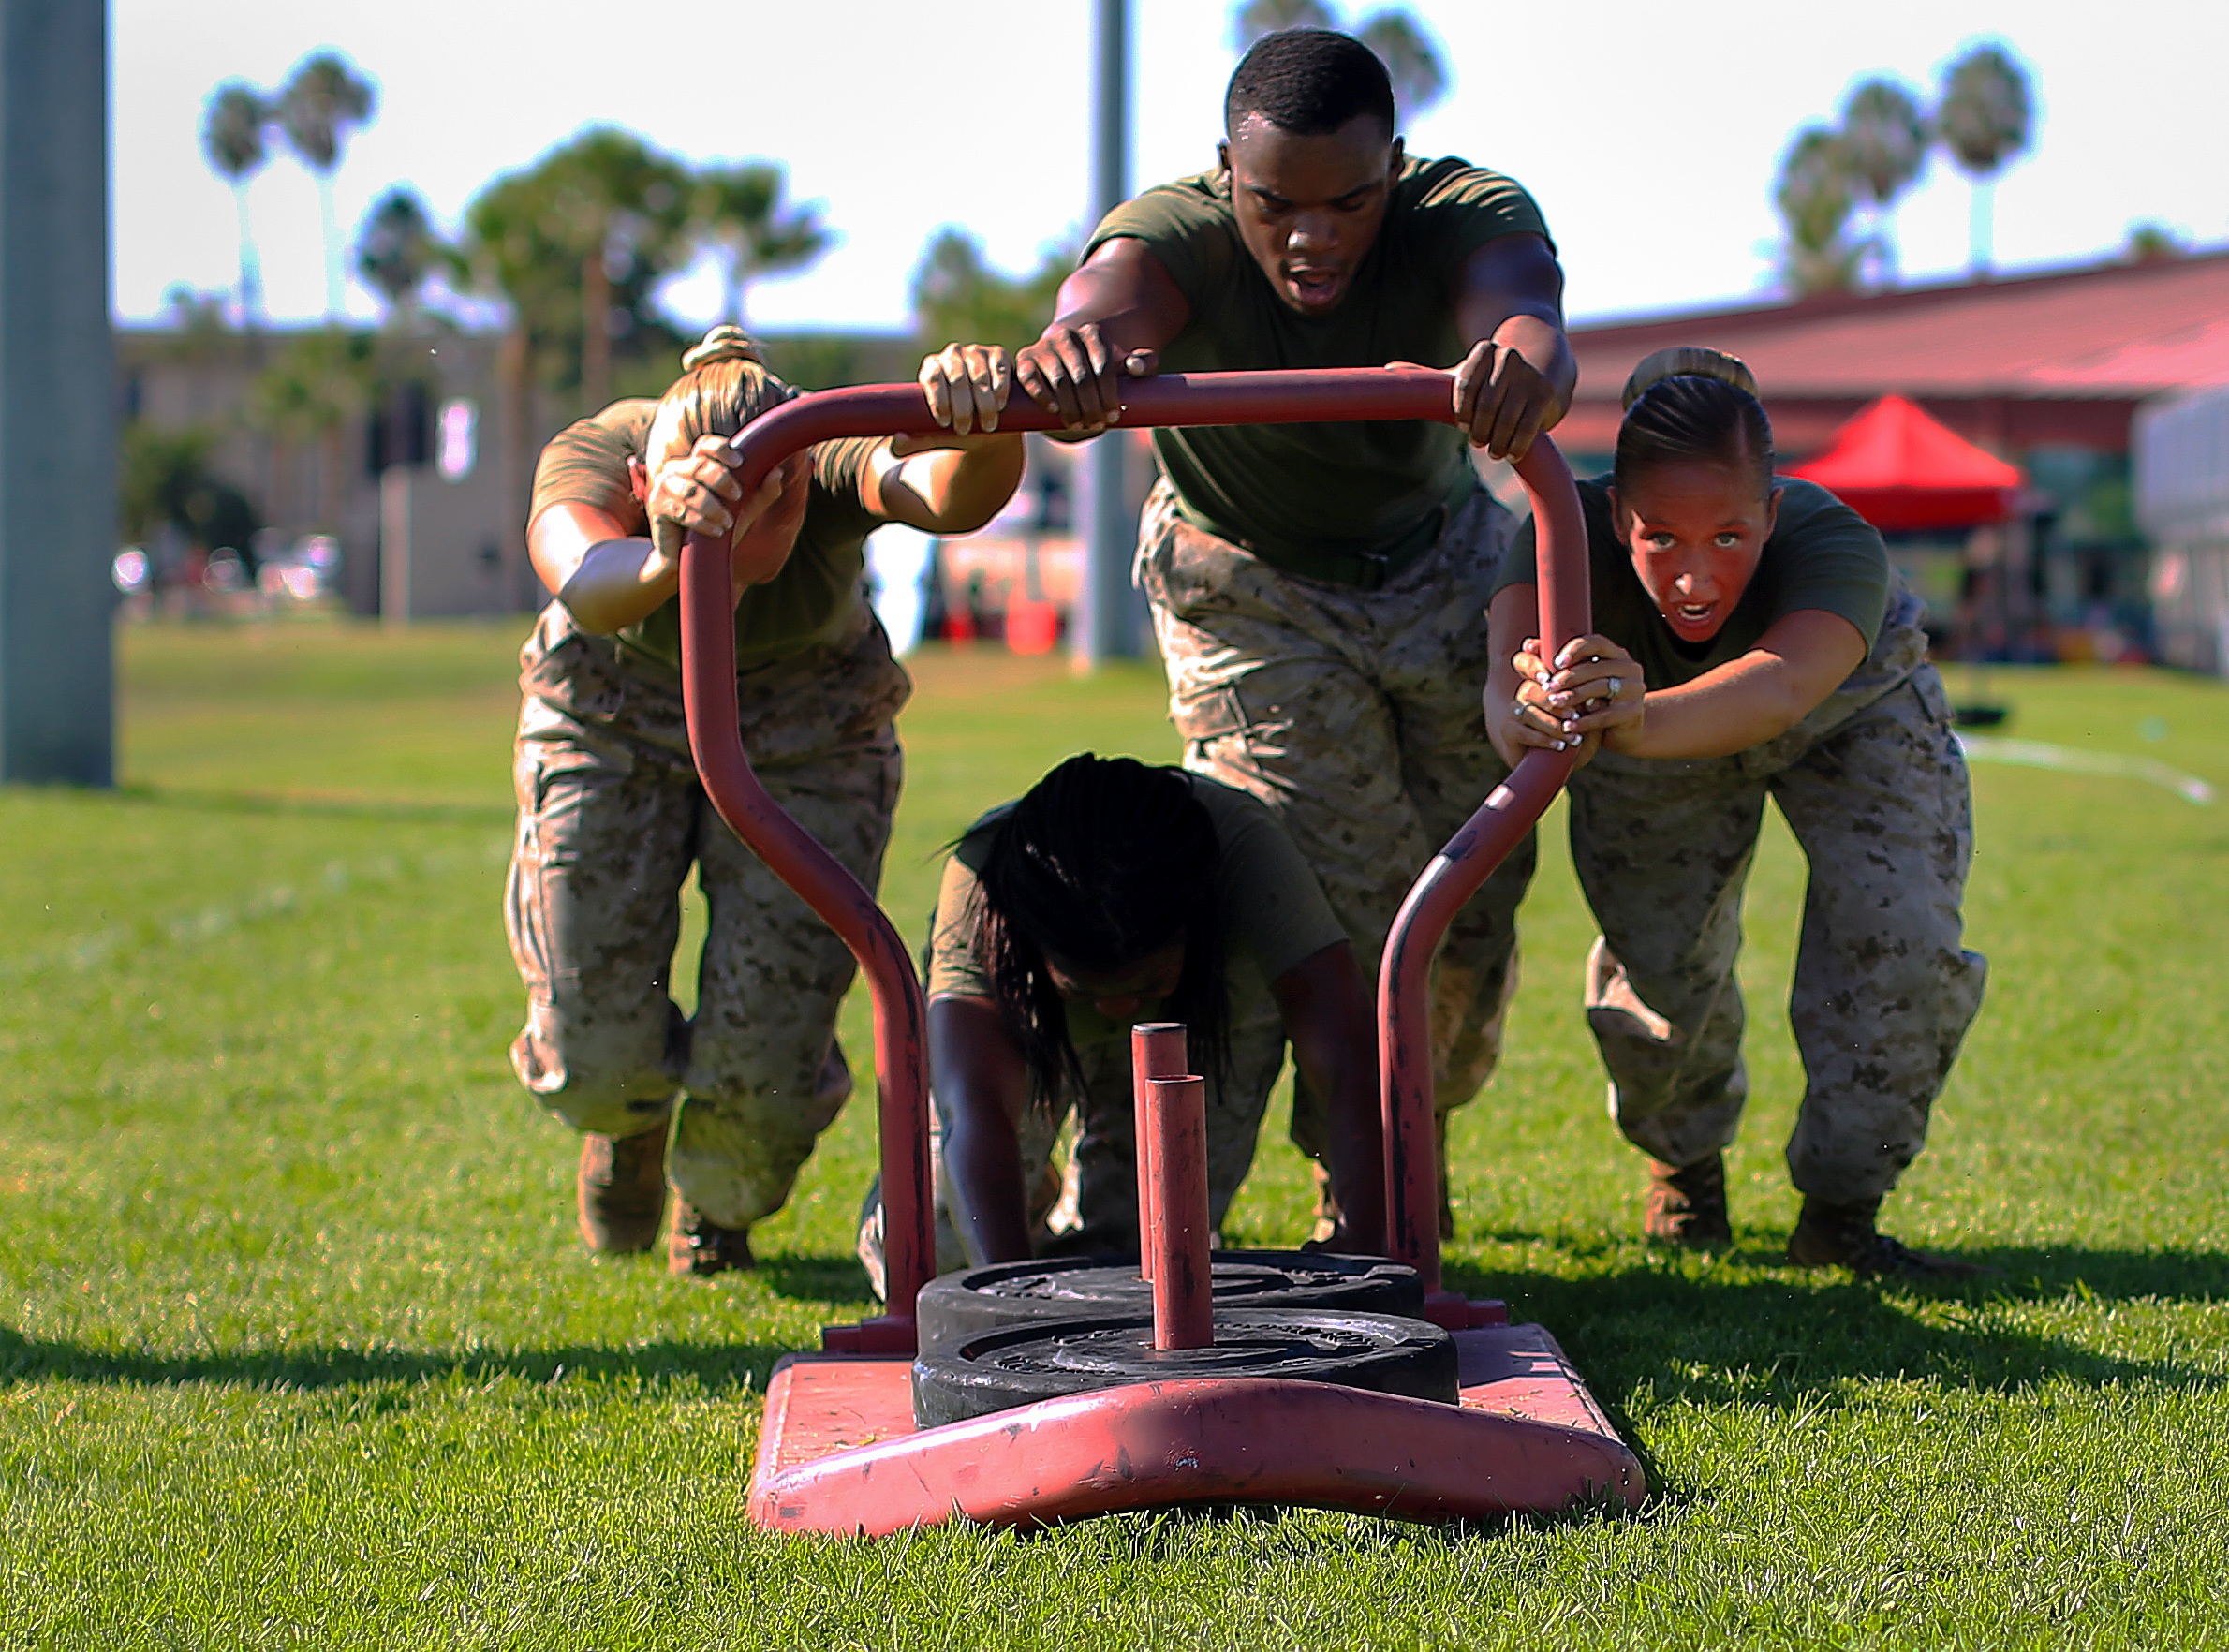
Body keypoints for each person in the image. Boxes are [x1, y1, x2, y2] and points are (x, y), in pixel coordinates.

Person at [1010, 27, 1576, 1236]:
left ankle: (1401, 1126)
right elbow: (1104, 302)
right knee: (1359, 881)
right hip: (1251, 586)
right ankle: (1360, 1180)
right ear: (1227, 175)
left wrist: (1522, 361)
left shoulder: (1456, 209)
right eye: (1275, 205)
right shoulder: (1179, 231)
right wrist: (1078, 354)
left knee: (1473, 902)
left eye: (1349, 202)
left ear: (1395, 170)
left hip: (1440, 566)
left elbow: (1524, 307)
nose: (1312, 235)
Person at [509, 325, 1024, 1276]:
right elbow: (582, 579)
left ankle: (717, 1208)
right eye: (721, 497)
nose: (745, 522)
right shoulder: (602, 450)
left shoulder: (820, 453)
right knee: (593, 1048)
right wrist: (668, 556)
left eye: (772, 494)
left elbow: (949, 494)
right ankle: (626, 1126)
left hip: (809, 728)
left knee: (770, 1054)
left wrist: (987, 426)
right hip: (616, 716)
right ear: (642, 480)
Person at [1486, 347, 1988, 1278]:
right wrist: (1528, 712)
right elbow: (1502, 690)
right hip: (1647, 730)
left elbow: (1783, 687)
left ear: (1773, 512)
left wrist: (1633, 717)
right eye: (1660, 539)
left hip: (1846, 710)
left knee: (1899, 937)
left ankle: (1842, 1211)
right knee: (1662, 966)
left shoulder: (1833, 539)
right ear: (1615, 516)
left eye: (1728, 538)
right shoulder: (1559, 533)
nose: (1693, 579)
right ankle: (1683, 1164)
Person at [858, 753, 1382, 1289]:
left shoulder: (1247, 849)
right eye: (1084, 990)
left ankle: (1054, 1195)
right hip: (1028, 1032)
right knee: (931, 1253)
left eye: (1147, 985)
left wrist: (1367, 1236)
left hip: (1203, 1021)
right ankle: (1027, 1186)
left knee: (1143, 1255)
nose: (1119, 1009)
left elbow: (1347, 1056)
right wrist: (1007, 1288)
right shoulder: (983, 887)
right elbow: (974, 1107)